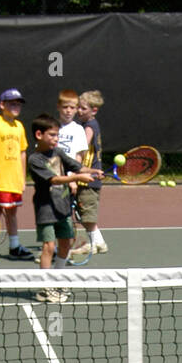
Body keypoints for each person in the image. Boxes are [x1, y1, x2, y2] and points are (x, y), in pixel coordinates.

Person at [27, 114, 102, 301]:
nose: (56, 139)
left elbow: (77, 167)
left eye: (57, 135)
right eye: (52, 135)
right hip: (46, 209)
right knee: (48, 247)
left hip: (63, 207)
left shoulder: (59, 152)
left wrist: (93, 171)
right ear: (39, 134)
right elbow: (53, 179)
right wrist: (77, 178)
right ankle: (45, 287)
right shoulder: (35, 159)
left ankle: (57, 279)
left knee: (65, 243)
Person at [0, 89, 36, 263]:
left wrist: (23, 178)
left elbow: (22, 153)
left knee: (12, 213)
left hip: (14, 180)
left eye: (18, 103)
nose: (16, 106)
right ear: (2, 105)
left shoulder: (19, 127)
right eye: (12, 103)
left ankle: (14, 247)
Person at [76, 90, 108, 253]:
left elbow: (82, 147)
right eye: (78, 108)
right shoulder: (88, 125)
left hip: (88, 178)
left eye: (83, 108)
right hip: (88, 176)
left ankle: (93, 243)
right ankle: (99, 242)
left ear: (94, 110)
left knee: (87, 213)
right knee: (84, 213)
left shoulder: (89, 127)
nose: (78, 111)